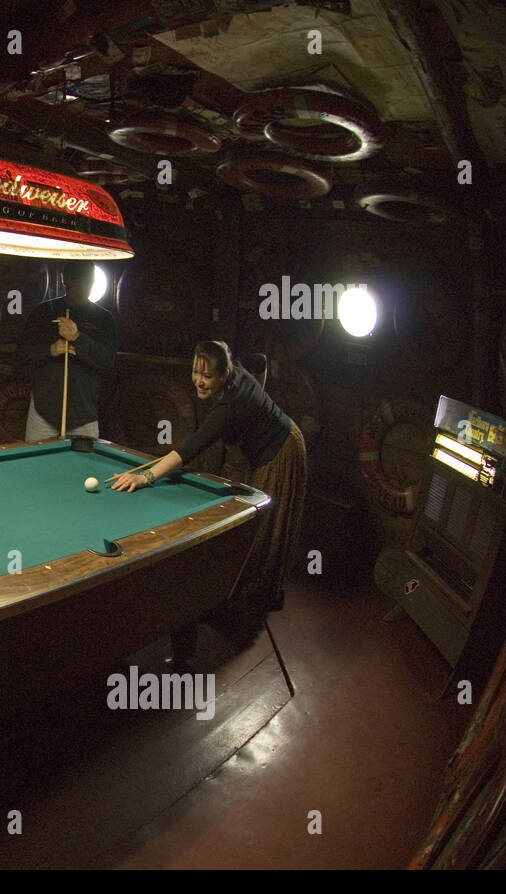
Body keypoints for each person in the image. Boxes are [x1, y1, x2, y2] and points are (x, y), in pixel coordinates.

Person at [111, 340, 307, 661]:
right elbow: (260, 358)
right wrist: (260, 399)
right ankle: (255, 594)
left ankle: (255, 599)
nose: (199, 381)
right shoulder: (238, 368)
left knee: (266, 524)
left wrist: (145, 476)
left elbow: (192, 447)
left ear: (225, 374)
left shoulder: (230, 404)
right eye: (195, 372)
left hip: (281, 450)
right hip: (274, 442)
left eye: (208, 377)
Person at [18, 261, 116, 441]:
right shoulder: (43, 312)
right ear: (65, 280)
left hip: (84, 415)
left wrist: (78, 338)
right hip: (43, 412)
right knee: (36, 464)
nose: (83, 287)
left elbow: (108, 361)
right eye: (78, 281)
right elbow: (22, 354)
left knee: (84, 468)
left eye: (88, 282)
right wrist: (50, 350)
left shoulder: (103, 318)